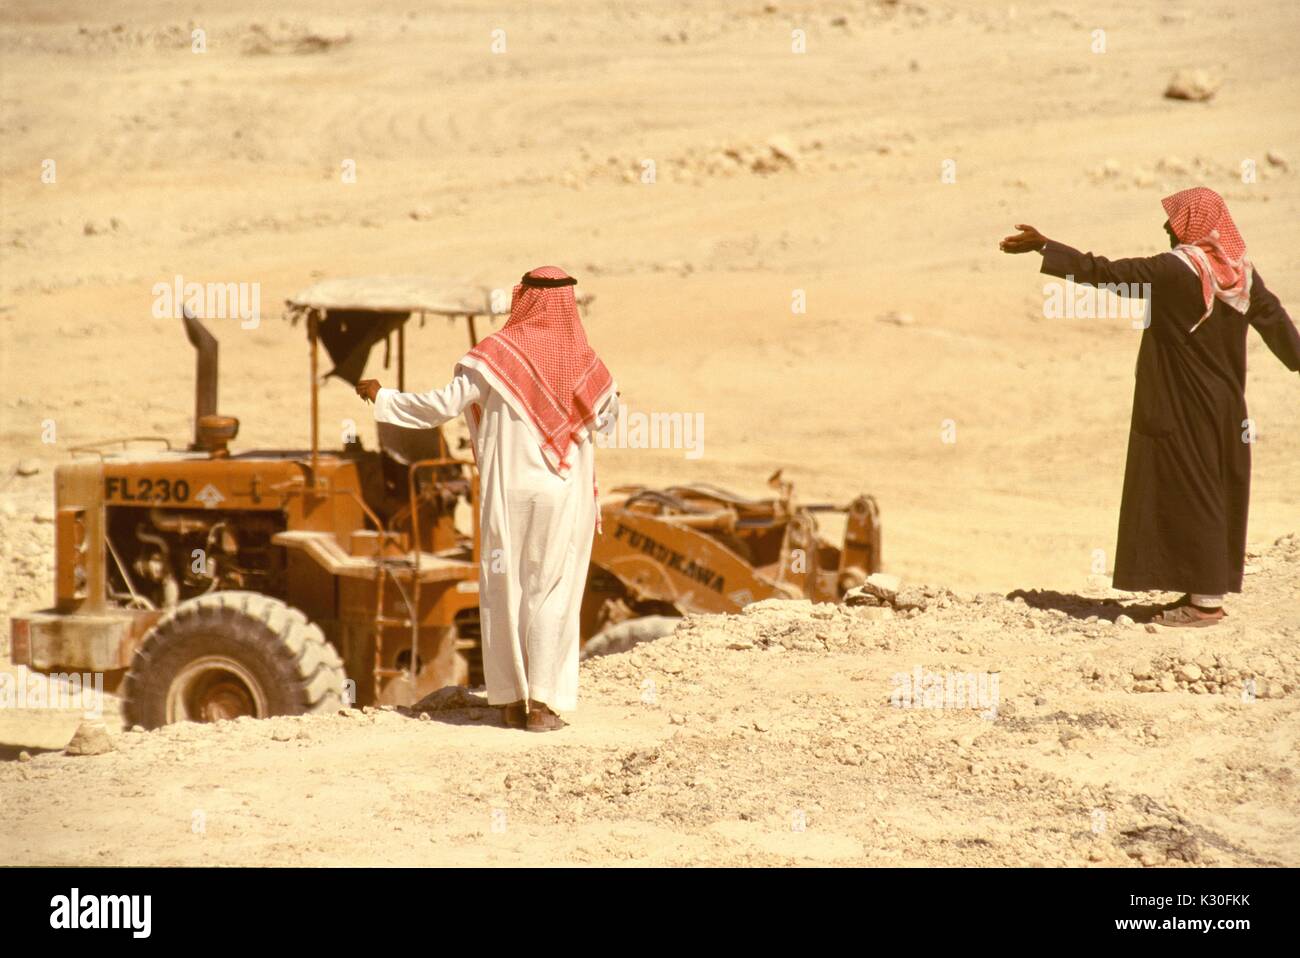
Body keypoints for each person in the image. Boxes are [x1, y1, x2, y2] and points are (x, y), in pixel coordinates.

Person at [1001, 187, 1299, 627]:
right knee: (1209, 492)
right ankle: (1200, 589)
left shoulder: (1178, 270)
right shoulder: (1240, 274)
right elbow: (1277, 324)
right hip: (1226, 405)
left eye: (1174, 220)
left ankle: (1205, 605)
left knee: (1196, 496)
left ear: (1193, 225)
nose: (1166, 227)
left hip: (1184, 405)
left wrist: (1047, 247)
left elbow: (1107, 273)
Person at [357, 266, 618, 728]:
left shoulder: (494, 359)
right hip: (562, 494)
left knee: (505, 589)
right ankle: (542, 704)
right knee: (551, 591)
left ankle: (511, 702)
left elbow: (440, 406)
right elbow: (608, 419)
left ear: (525, 300)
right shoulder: (586, 362)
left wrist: (384, 398)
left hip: (507, 494)